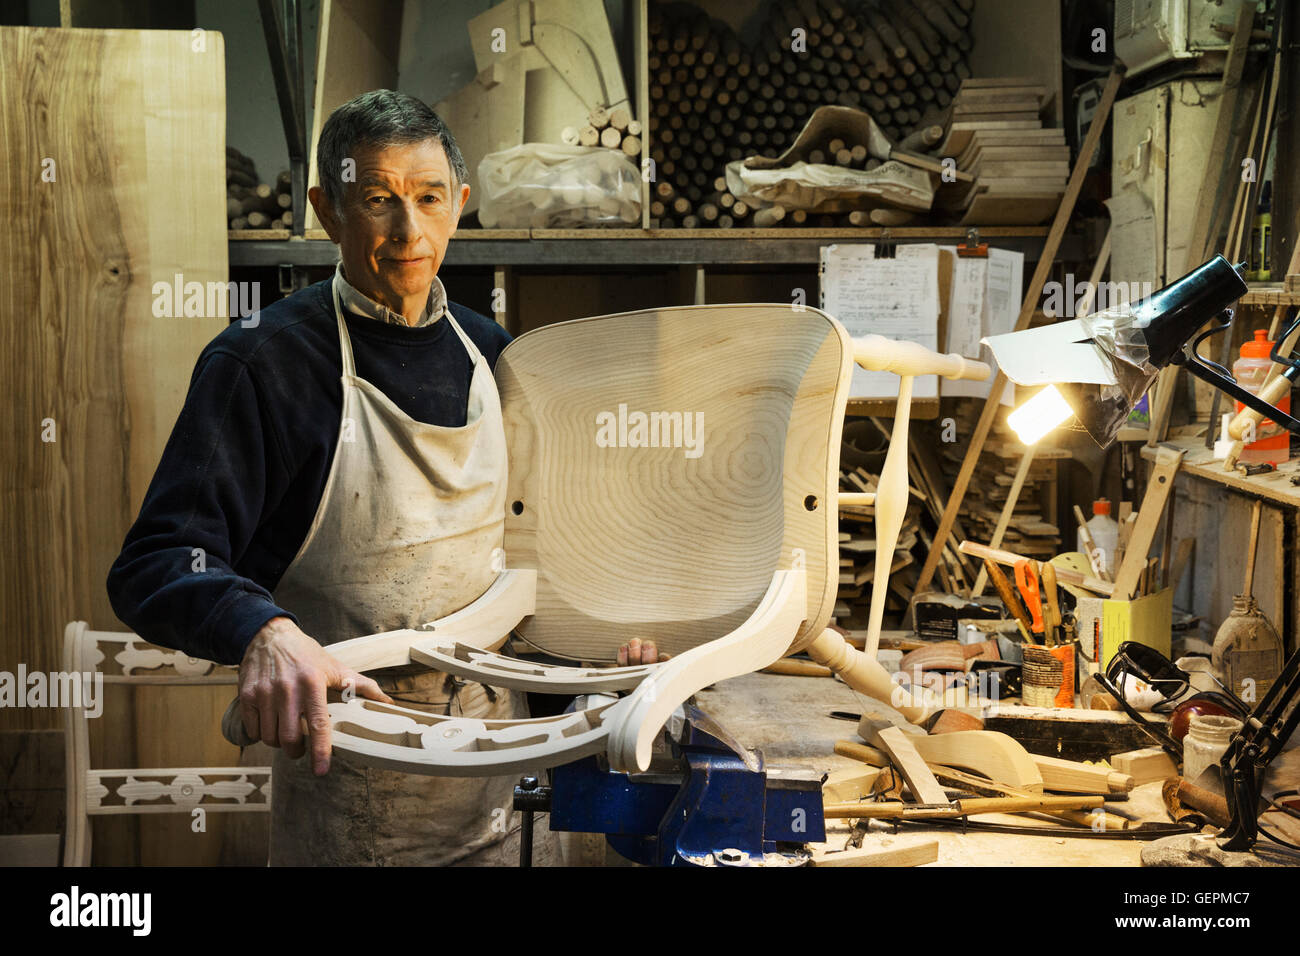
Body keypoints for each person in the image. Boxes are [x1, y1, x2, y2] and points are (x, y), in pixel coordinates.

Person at [108, 89, 661, 865]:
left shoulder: (493, 356)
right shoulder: (262, 362)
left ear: (459, 205)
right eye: (377, 199)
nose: (409, 231)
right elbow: (157, 562)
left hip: (499, 782)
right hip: (353, 789)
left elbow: (529, 571)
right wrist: (261, 630)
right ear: (326, 210)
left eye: (429, 198)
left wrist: (602, 659)